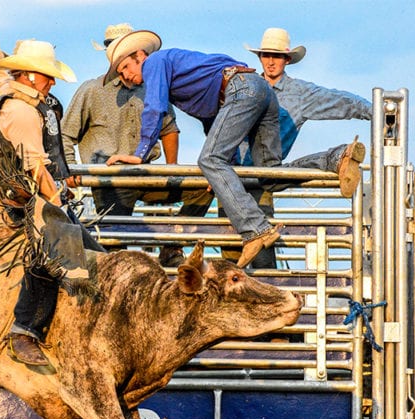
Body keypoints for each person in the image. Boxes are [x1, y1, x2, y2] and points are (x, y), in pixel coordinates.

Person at [0, 2, 104, 367]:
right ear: (30, 76)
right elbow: (35, 169)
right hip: (25, 200)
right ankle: (25, 329)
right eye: (46, 77)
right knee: (55, 253)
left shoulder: (6, 91)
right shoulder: (24, 113)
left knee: (81, 252)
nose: (50, 83)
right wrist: (58, 198)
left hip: (9, 195)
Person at [104, 30, 282, 268]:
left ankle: (257, 230)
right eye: (121, 72)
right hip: (259, 89)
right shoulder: (182, 73)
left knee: (208, 160)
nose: (125, 75)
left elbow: (155, 108)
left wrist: (140, 154)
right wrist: (221, 171)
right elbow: (215, 122)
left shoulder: (154, 63)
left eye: (126, 66)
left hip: (240, 87)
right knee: (269, 175)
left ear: (140, 55)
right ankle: (333, 160)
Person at [60, 23, 212, 267]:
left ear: (138, 54)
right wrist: (71, 170)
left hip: (145, 172)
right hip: (109, 179)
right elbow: (66, 134)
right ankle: (116, 276)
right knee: (115, 245)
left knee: (203, 187)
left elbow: (169, 128)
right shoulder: (91, 90)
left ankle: (172, 246)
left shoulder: (154, 87)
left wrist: (171, 169)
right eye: (112, 49)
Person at [226, 28, 370, 267]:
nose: (271, 61)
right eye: (265, 55)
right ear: (259, 58)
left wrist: (374, 111)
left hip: (264, 177)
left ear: (287, 59)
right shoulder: (244, 86)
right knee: (230, 252)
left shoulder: (299, 94)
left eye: (277, 56)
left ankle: (269, 296)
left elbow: (338, 99)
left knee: (260, 253)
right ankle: (336, 157)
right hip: (233, 175)